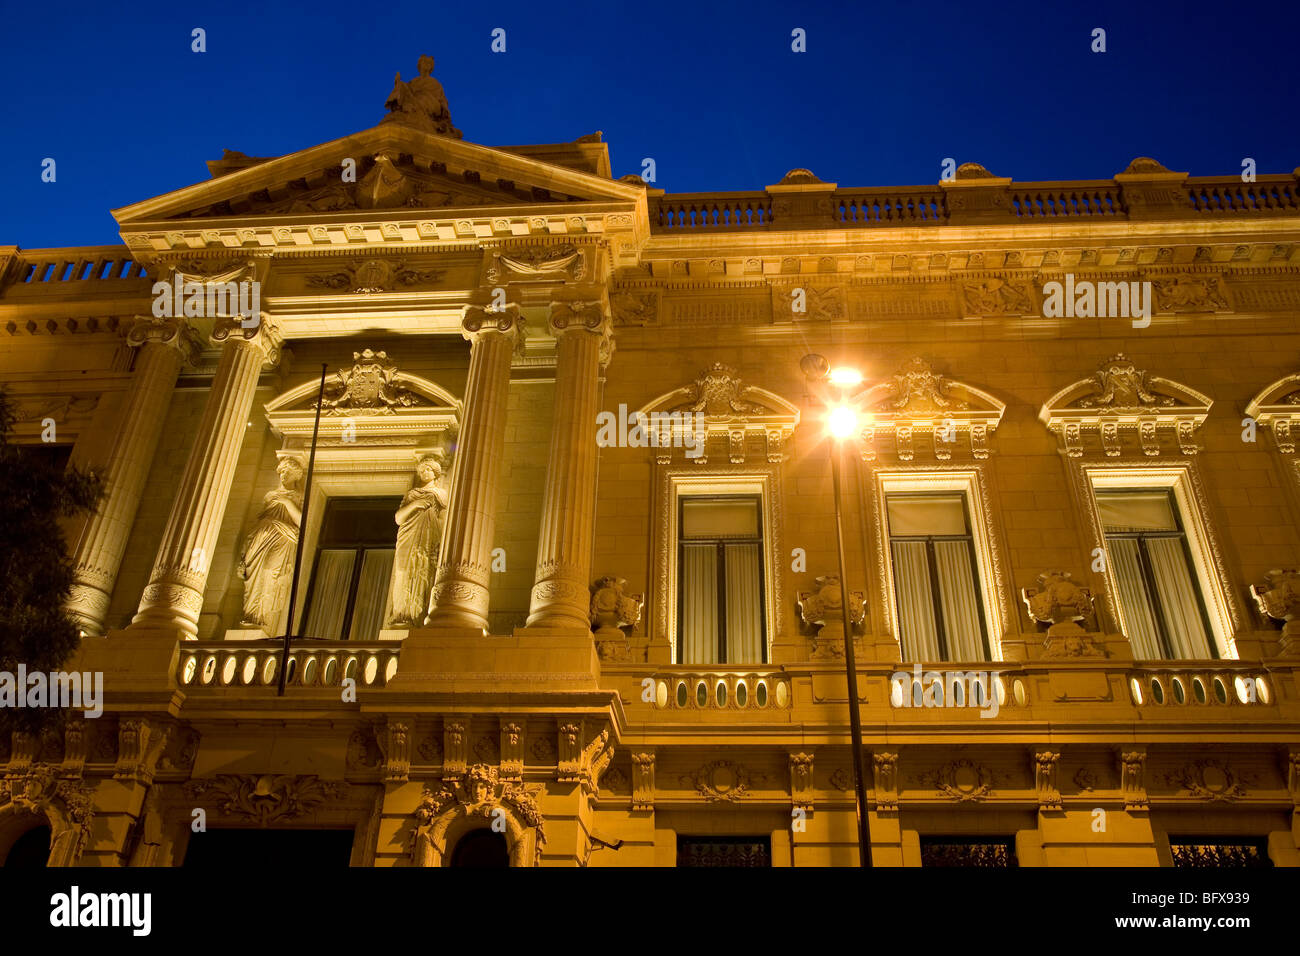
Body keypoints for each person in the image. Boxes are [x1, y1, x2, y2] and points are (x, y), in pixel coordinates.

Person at [237, 457, 305, 630]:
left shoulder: (299, 496)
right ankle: (251, 616)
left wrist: (287, 503)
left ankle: (262, 617)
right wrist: (245, 553)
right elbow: (259, 519)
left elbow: (303, 522)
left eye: (288, 472)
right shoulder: (270, 496)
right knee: (256, 574)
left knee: (270, 573)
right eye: (282, 471)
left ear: (296, 476)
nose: (284, 475)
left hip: (284, 537)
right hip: (262, 536)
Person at [388, 455, 448, 626]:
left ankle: (416, 615)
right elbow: (399, 518)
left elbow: (445, 520)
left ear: (436, 473)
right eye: (422, 470)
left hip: (428, 536)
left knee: (423, 569)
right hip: (408, 535)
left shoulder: (441, 495)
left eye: (428, 469)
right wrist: (415, 505)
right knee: (403, 572)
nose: (424, 472)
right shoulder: (411, 494)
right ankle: (401, 614)